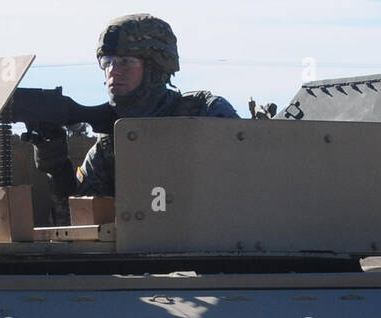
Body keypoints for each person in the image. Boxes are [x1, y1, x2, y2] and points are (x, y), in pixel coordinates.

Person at [31, 13, 238, 200]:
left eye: (126, 62)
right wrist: (59, 171)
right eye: (108, 61)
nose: (113, 71)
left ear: (155, 69)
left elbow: (246, 184)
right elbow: (83, 219)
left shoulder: (206, 114)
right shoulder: (110, 144)